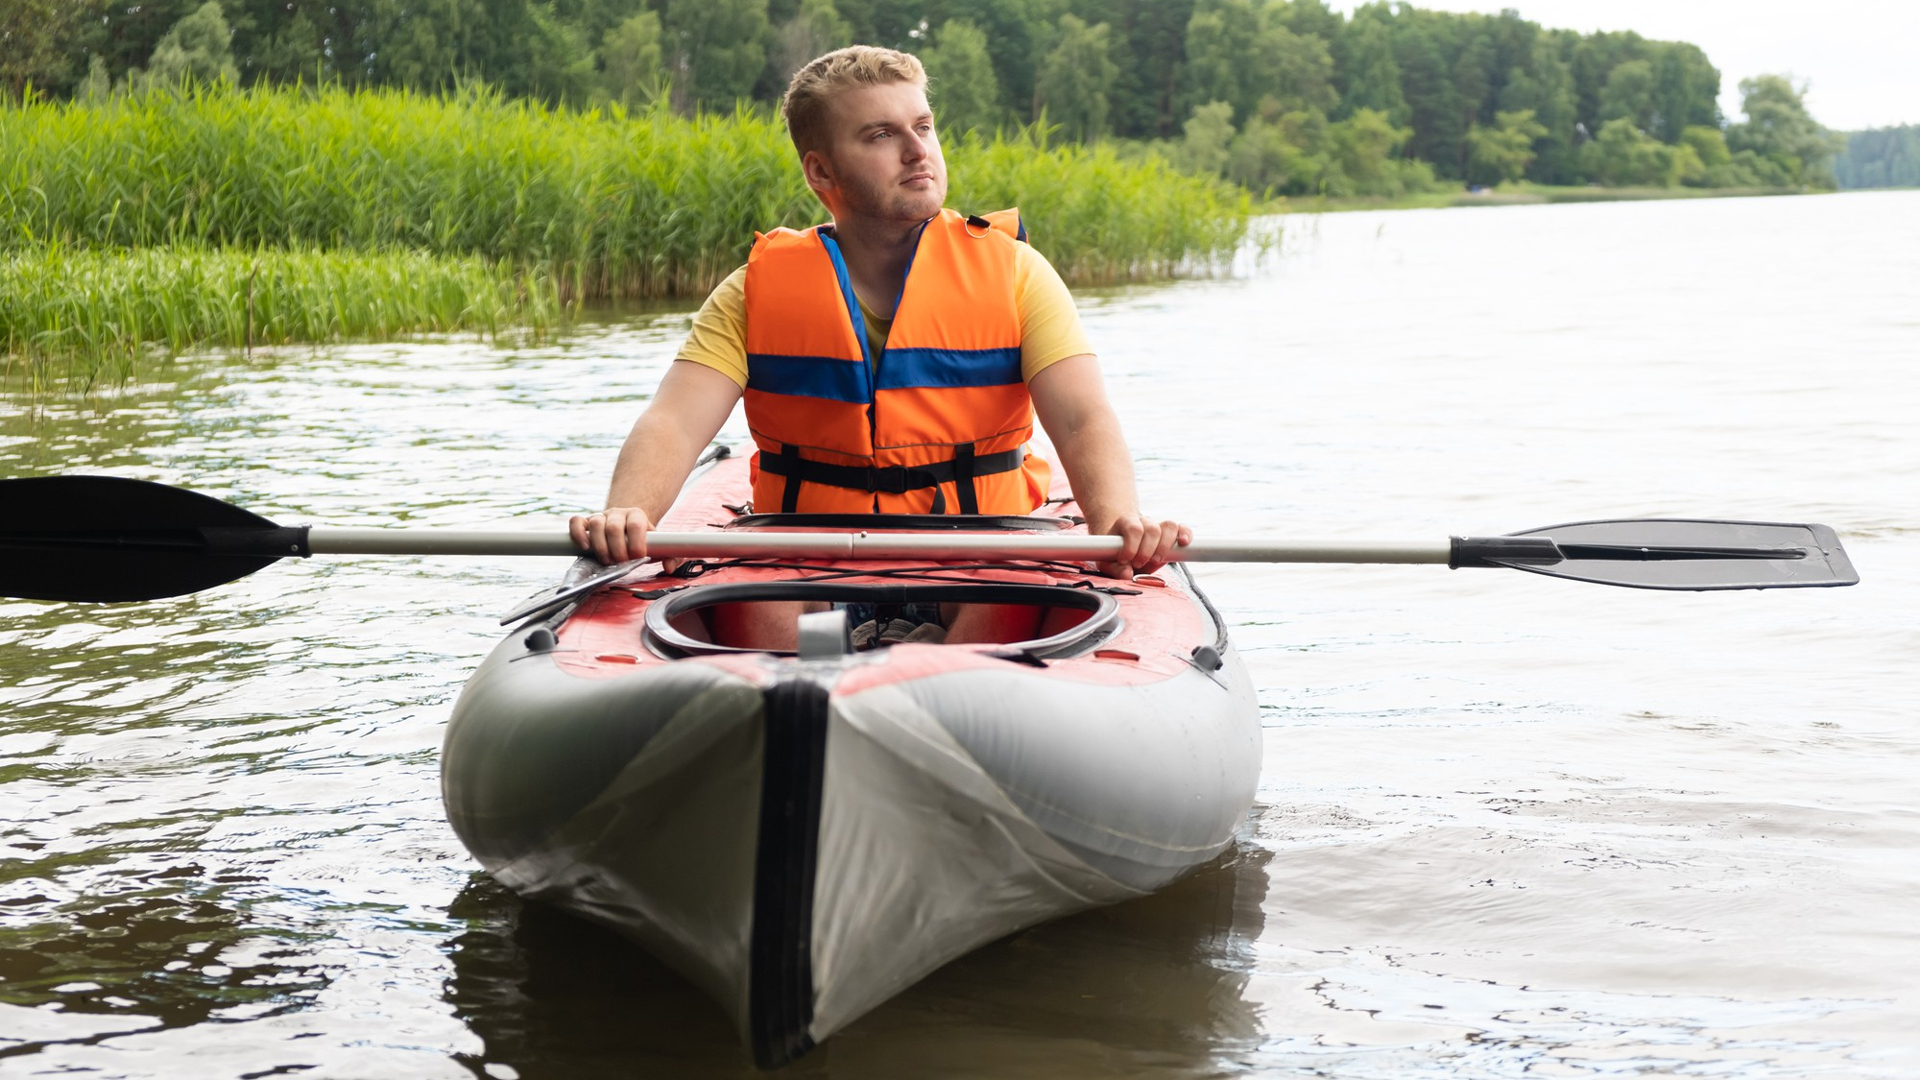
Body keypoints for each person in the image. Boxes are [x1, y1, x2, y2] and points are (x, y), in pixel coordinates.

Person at [569, 45, 1187, 642]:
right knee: (750, 608)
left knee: (1009, 599)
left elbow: (1081, 419)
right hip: (807, 547)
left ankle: (940, 688)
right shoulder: (752, 292)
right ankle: (804, 692)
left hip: (978, 548)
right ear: (821, 171)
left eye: (924, 125)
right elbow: (675, 422)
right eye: (882, 135)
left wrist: (1115, 524)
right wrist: (630, 513)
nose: (919, 151)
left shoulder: (1017, 273)